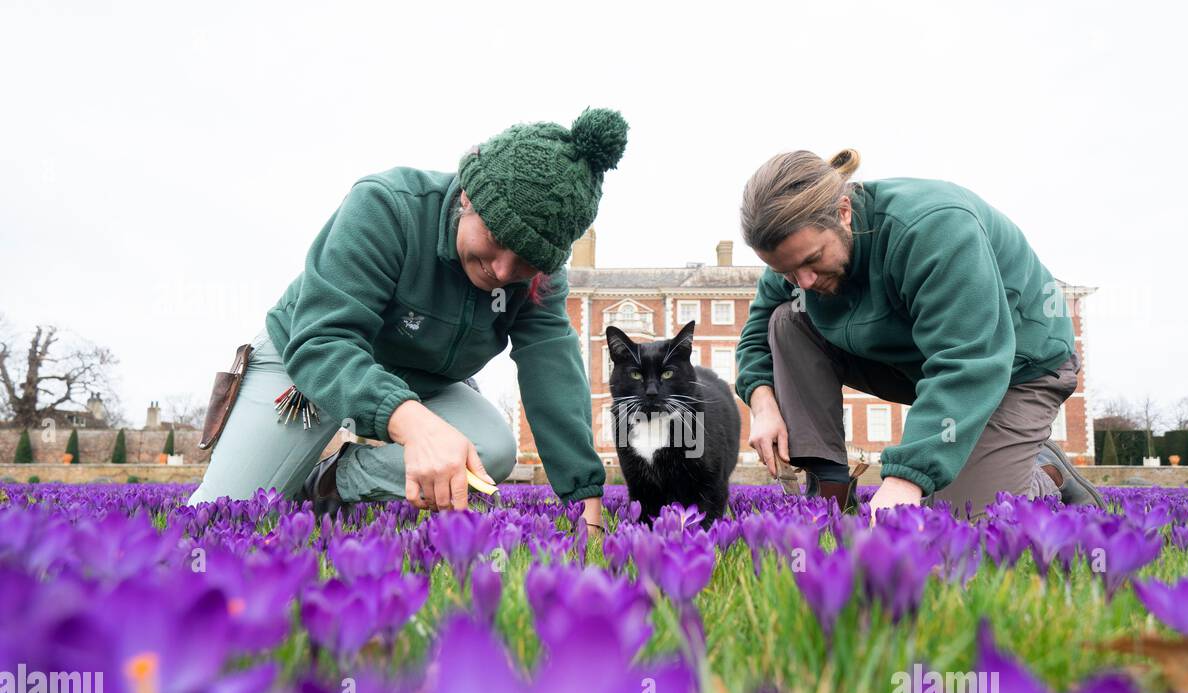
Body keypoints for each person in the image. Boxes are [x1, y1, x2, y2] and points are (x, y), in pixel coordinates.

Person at [188, 109, 630, 536]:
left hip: (421, 380)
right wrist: (415, 426)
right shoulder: (386, 206)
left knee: (490, 448)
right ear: (467, 197)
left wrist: (584, 494)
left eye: (526, 261)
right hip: (308, 366)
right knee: (222, 516)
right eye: (495, 240)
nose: (501, 270)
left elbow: (551, 367)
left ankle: (333, 482)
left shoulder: (539, 275)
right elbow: (323, 338)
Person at [735, 148, 1104, 522]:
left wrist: (905, 478)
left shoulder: (933, 229)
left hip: (1016, 369)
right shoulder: (796, 254)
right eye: (787, 272)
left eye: (812, 261)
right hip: (923, 364)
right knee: (786, 319)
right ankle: (829, 491)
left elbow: (967, 361)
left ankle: (1046, 475)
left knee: (962, 518)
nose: (804, 282)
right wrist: (762, 404)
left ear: (843, 213)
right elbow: (757, 333)